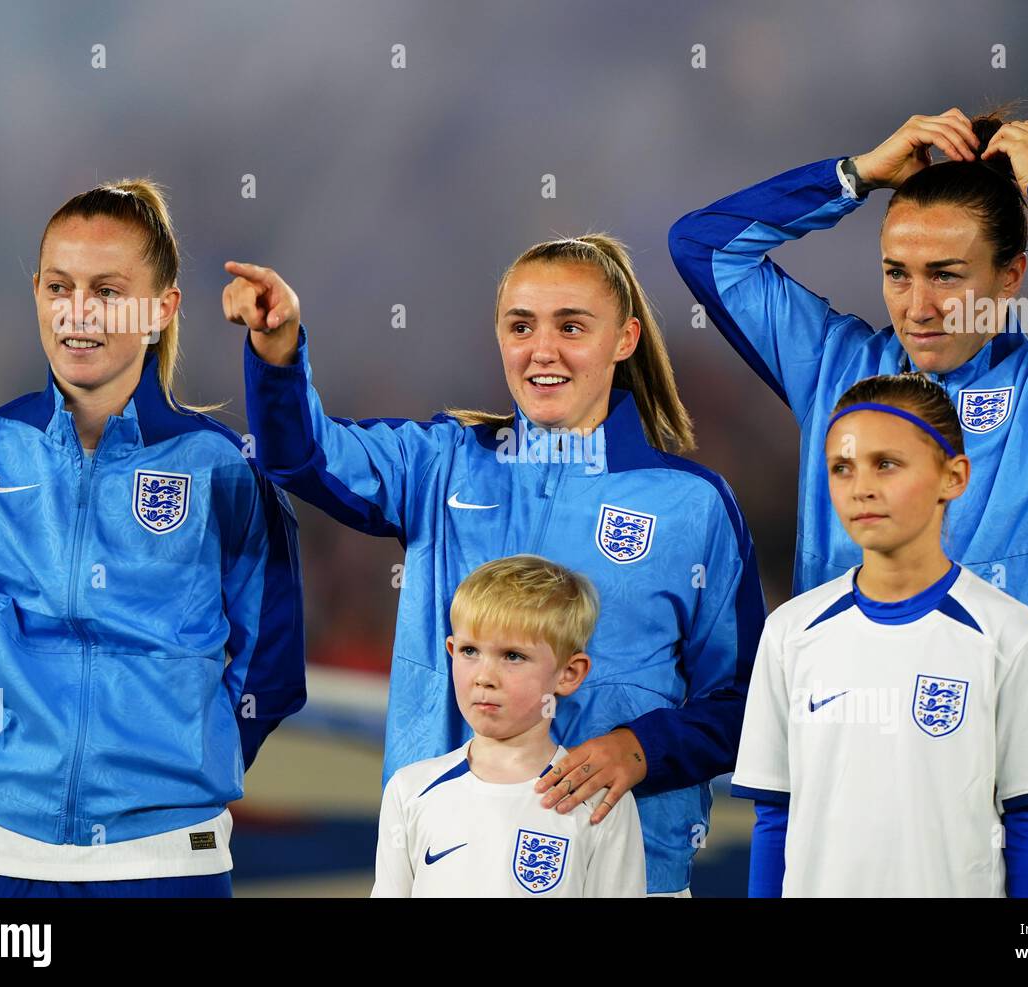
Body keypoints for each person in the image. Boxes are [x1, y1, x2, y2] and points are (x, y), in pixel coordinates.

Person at [669, 108, 1028, 896]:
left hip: (1010, 798)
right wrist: (857, 174)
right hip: (836, 777)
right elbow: (701, 246)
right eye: (896, 272)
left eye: (948, 274)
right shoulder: (837, 370)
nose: (917, 305)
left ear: (1011, 277)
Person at [226, 233, 766, 895]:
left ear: (624, 339)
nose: (542, 349)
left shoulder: (693, 505)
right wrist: (278, 356)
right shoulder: (438, 464)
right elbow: (303, 457)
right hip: (450, 873)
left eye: (571, 325)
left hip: (634, 876)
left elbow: (747, 703)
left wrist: (641, 747)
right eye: (520, 325)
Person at [0, 179, 305, 898]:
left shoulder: (223, 467)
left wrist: (186, 759)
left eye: (108, 289)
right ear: (36, 293)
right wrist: (13, 752)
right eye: (59, 286)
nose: (78, 312)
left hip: (165, 861)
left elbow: (270, 664)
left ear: (162, 308)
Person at [733, 373, 1028, 897]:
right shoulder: (789, 633)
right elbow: (774, 818)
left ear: (953, 477)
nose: (861, 488)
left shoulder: (1008, 632)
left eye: (886, 464)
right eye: (841, 469)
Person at [372, 554, 646, 897]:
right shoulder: (410, 790)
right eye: (470, 651)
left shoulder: (599, 801)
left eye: (513, 656)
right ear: (451, 650)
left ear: (569, 673)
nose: (484, 677)